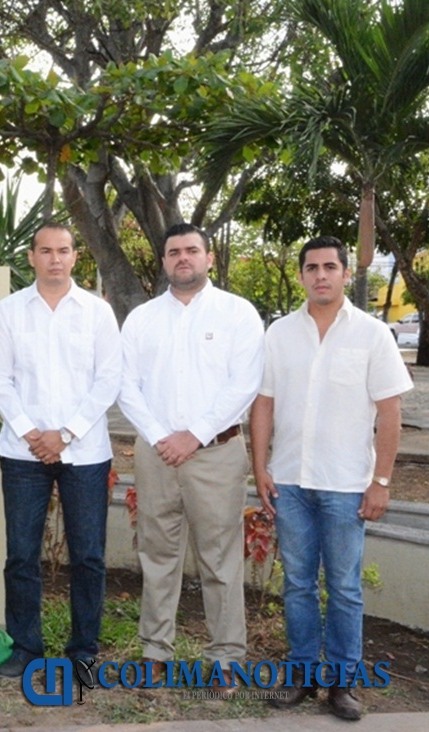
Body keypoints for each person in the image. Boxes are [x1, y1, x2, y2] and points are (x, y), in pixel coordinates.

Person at [250, 236, 412, 720]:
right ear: (300, 275)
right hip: (291, 482)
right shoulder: (278, 333)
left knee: (343, 586)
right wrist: (260, 468)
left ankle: (342, 684)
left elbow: (390, 412)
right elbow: (264, 404)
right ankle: (302, 674)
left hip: (346, 485)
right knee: (298, 583)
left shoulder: (372, 334)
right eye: (311, 267)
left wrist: (380, 481)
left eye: (329, 267)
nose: (320, 275)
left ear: (345, 274)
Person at [118, 222, 264, 693]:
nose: (184, 258)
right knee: (157, 553)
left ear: (209, 258)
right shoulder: (141, 319)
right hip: (157, 452)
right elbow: (126, 385)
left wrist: (193, 437)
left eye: (192, 250)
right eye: (174, 252)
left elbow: (244, 384)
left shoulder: (238, 314)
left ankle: (226, 657)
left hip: (217, 453)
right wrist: (165, 437)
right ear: (163, 261)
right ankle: (155, 651)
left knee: (220, 559)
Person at [0, 223, 122, 687]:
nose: (55, 259)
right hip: (23, 453)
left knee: (89, 557)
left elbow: (108, 379)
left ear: (75, 257)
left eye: (63, 251)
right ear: (32, 257)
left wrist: (65, 433)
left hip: (85, 452)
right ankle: (25, 648)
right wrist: (30, 433)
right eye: (46, 251)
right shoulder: (9, 311)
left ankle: (83, 651)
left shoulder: (98, 312)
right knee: (21, 555)